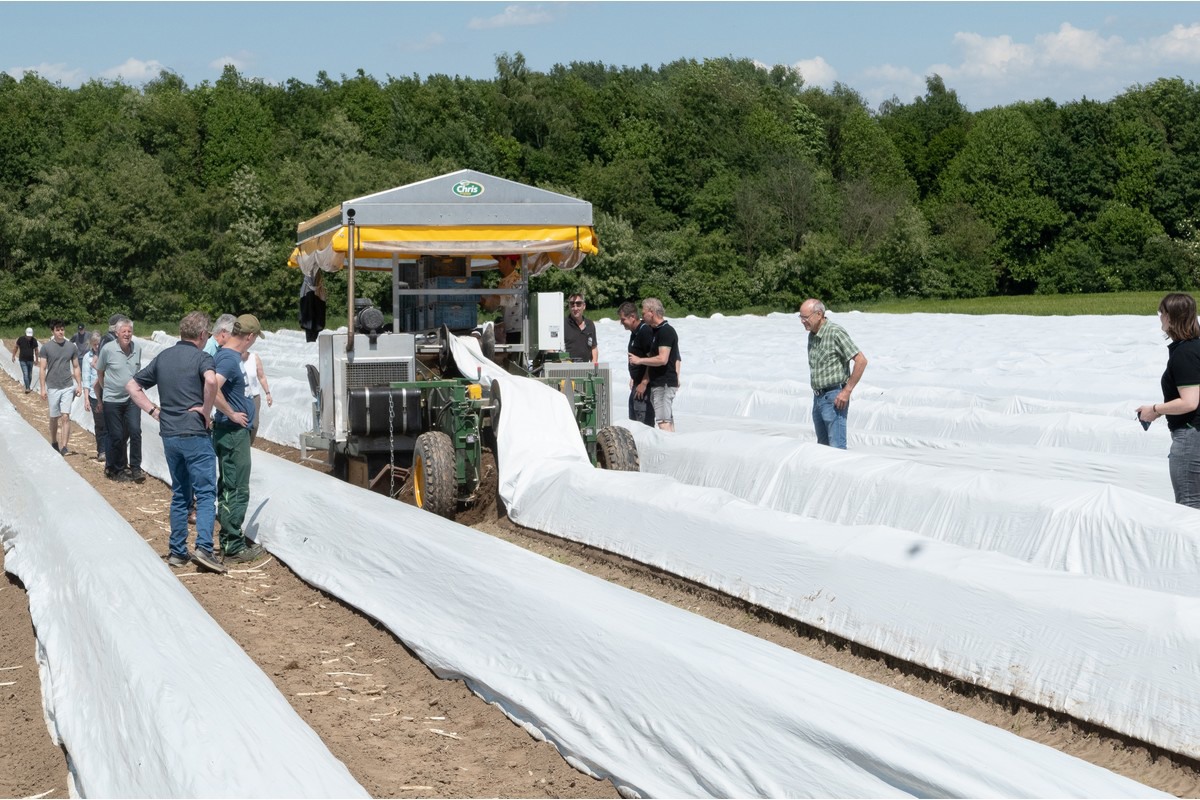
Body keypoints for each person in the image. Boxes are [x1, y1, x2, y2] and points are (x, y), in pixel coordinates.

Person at [126, 311, 226, 574]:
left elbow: (132, 387)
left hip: (170, 435)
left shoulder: (163, 357)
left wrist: (153, 411)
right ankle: (204, 547)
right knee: (205, 493)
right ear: (203, 335)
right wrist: (206, 410)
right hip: (195, 434)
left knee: (181, 493)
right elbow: (211, 380)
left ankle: (177, 552)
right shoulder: (203, 357)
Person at [1137, 292, 1200, 508]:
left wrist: (1155, 409)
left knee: (1189, 504)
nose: (1160, 317)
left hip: (1190, 436)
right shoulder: (1195, 347)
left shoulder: (1185, 353)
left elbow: (1190, 402)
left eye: (1162, 313)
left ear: (1172, 317)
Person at [212, 314, 265, 563]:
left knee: (229, 484)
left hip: (232, 433)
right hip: (233, 434)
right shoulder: (229, 358)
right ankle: (233, 545)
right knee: (236, 487)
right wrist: (231, 413)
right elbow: (212, 387)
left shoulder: (226, 355)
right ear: (250, 336)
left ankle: (229, 538)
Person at [799, 298, 868, 450]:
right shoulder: (812, 335)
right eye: (801, 317)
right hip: (818, 398)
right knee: (822, 448)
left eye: (805, 317)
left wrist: (847, 391)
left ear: (819, 314)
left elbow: (861, 361)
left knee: (836, 448)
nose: (803, 321)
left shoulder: (835, 332)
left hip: (834, 397)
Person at [94, 318, 144, 482]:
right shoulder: (108, 349)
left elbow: (137, 372)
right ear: (116, 333)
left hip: (132, 398)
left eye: (129, 331)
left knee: (135, 431)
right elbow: (100, 372)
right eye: (124, 331)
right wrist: (105, 389)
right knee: (116, 435)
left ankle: (135, 467)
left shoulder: (138, 348)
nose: (127, 334)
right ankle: (117, 468)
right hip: (112, 400)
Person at [628, 298, 681, 433]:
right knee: (666, 419)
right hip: (659, 383)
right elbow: (677, 358)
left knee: (663, 422)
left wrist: (640, 360)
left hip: (664, 383)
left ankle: (669, 449)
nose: (642, 315)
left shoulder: (665, 331)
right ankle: (671, 444)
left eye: (644, 312)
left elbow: (663, 359)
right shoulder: (656, 331)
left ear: (651, 313)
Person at [38, 320, 82, 455]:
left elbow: (76, 366)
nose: (60, 332)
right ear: (53, 332)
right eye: (57, 330)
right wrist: (43, 388)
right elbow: (42, 368)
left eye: (62, 329)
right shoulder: (46, 348)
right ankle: (54, 441)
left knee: (65, 416)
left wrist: (79, 385)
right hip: (52, 387)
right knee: (54, 417)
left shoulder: (71, 347)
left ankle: (64, 447)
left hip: (68, 386)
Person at [619, 301, 655, 427]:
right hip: (636, 383)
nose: (621, 323)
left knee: (642, 424)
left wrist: (644, 382)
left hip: (643, 387)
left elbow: (653, 359)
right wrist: (633, 377)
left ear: (632, 317)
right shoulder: (634, 333)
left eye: (623, 319)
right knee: (633, 421)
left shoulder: (645, 332)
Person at [481, 256, 523, 344]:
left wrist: (494, 299)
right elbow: (495, 306)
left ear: (507, 260)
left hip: (517, 329)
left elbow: (511, 301)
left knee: (514, 355)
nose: (498, 265)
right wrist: (483, 301)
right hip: (507, 328)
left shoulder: (517, 279)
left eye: (499, 261)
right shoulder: (502, 282)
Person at [80, 331, 108, 462]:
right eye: (95, 345)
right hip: (94, 395)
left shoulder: (106, 355)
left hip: (107, 393)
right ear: (91, 344)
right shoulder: (87, 358)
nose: (97, 347)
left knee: (110, 423)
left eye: (99, 344)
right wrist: (86, 398)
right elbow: (86, 379)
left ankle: (110, 450)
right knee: (100, 423)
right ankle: (102, 450)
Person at [241, 342, 272, 445]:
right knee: (241, 424)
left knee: (254, 424)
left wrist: (267, 393)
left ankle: (248, 445)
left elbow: (261, 376)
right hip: (239, 396)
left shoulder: (254, 357)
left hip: (254, 396)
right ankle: (242, 447)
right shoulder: (233, 359)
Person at [563, 292, 598, 363]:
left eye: (578, 304)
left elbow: (593, 348)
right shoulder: (563, 324)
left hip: (585, 369)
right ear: (569, 306)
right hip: (567, 369)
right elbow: (553, 349)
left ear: (584, 306)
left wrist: (594, 365)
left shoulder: (590, 324)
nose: (575, 308)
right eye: (572, 304)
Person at [10, 327, 38, 393]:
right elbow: (16, 347)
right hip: (22, 360)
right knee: (25, 374)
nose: (29, 337)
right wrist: (13, 356)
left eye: (30, 336)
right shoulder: (20, 339)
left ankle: (28, 385)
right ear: (25, 334)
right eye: (28, 336)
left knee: (30, 375)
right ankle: (27, 388)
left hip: (30, 360)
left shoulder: (34, 340)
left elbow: (36, 350)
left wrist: (36, 359)